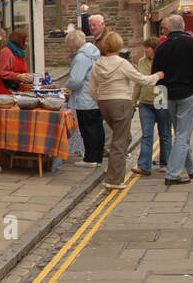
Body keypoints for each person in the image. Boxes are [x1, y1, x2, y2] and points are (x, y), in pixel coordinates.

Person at [88, 31, 163, 188]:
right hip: (121, 101)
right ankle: (113, 179)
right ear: (119, 45)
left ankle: (112, 168)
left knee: (121, 138)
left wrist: (100, 99)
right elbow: (142, 80)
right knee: (120, 140)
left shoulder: (98, 64)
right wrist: (157, 76)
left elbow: (92, 90)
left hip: (104, 102)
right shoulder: (122, 63)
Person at [152, 14, 193, 186]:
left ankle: (190, 169)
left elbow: (156, 74)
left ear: (169, 29)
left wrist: (159, 99)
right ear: (183, 27)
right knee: (183, 135)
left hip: (169, 95)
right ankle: (173, 174)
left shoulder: (162, 47)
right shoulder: (191, 43)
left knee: (181, 133)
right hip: (188, 94)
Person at [65, 28, 103, 166]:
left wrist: (67, 85)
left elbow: (76, 80)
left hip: (84, 98)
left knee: (88, 129)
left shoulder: (81, 58)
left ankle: (90, 158)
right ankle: (97, 157)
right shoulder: (93, 53)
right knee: (97, 128)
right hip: (94, 96)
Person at [134, 36, 171, 174]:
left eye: (147, 48)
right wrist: (134, 101)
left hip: (161, 99)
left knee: (165, 133)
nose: (144, 50)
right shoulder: (141, 62)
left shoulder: (164, 61)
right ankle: (144, 165)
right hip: (145, 102)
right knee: (147, 134)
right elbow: (138, 82)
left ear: (154, 49)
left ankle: (165, 163)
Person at [0, 28, 32, 92]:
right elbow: (1, 72)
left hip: (18, 89)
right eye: (26, 41)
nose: (26, 43)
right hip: (7, 91)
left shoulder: (20, 52)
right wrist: (17, 76)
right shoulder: (6, 52)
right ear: (19, 40)